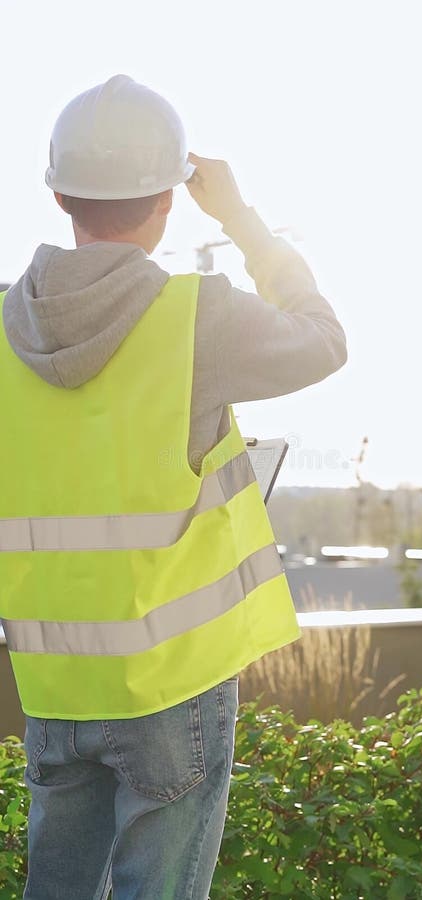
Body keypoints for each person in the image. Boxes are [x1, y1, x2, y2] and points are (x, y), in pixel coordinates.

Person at [0, 74, 347, 899]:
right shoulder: (197, 317)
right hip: (173, 687)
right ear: (166, 202)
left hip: (53, 688)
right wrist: (240, 218)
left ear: (59, 196)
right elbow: (324, 340)